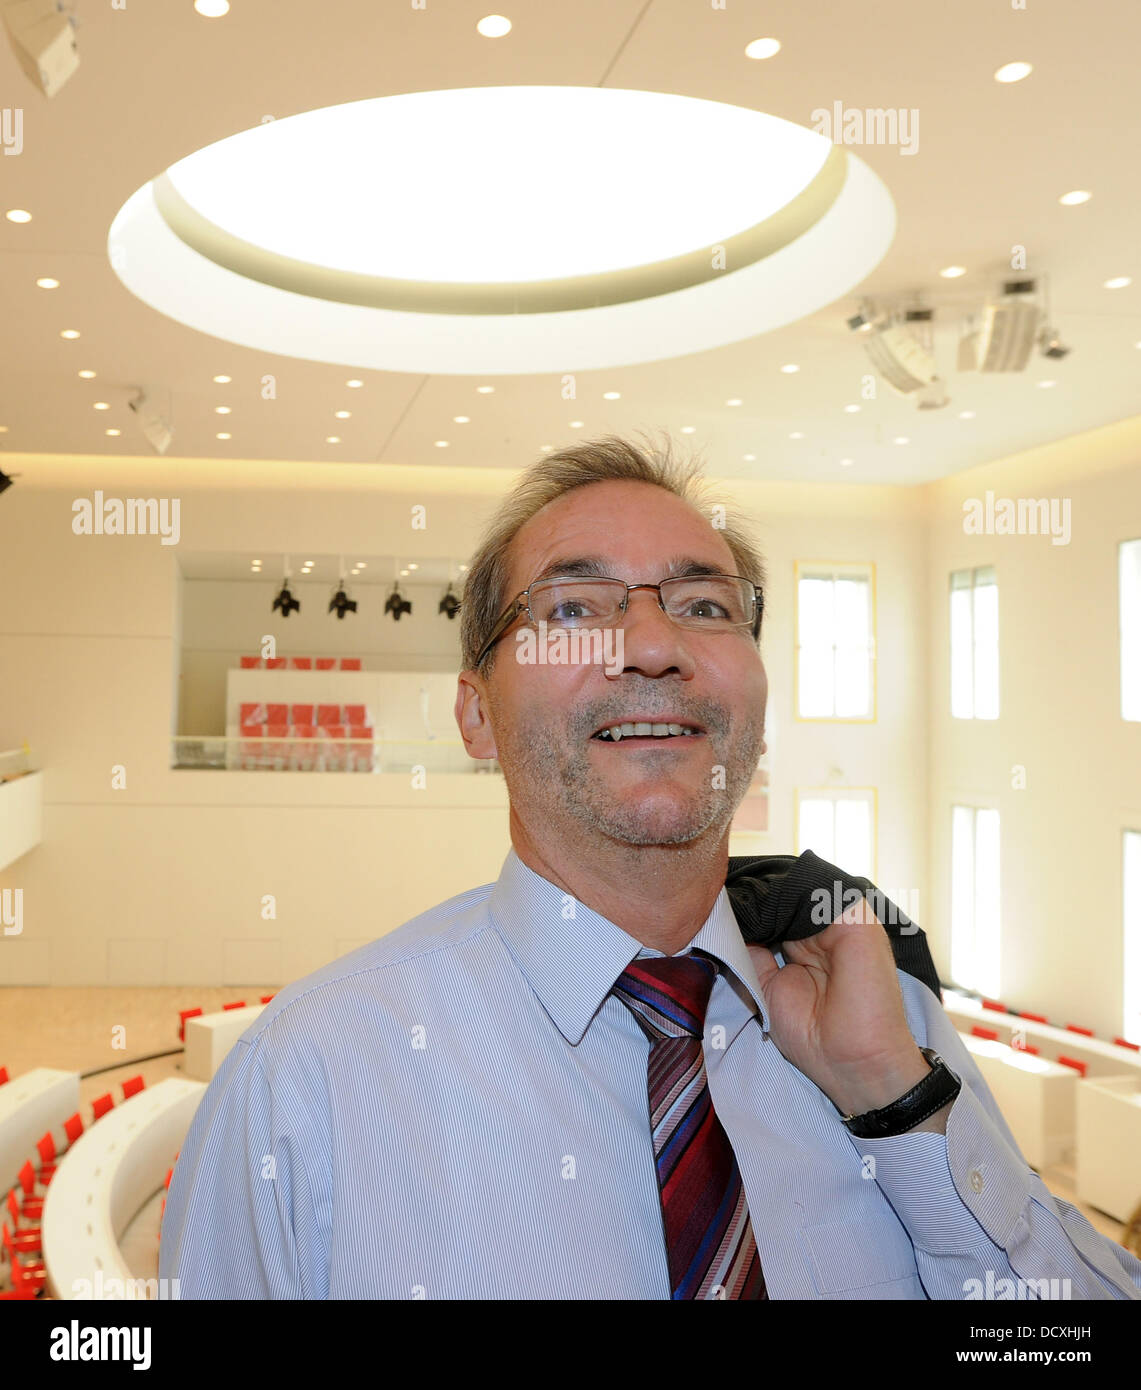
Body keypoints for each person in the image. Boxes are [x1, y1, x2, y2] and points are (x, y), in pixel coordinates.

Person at [160, 434, 1141, 1299]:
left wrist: (893, 1100)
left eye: (704, 604)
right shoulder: (304, 1084)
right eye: (576, 605)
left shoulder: (893, 1026)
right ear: (474, 715)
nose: (654, 644)